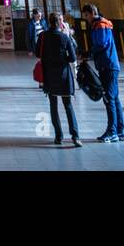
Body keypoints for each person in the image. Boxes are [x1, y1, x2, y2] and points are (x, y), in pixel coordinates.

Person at [81, 3, 124, 143]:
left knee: (109, 98)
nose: (86, 19)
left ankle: (112, 132)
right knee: (114, 98)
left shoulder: (100, 25)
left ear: (92, 12)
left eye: (87, 15)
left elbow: (101, 44)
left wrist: (89, 53)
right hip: (108, 65)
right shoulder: (99, 25)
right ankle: (120, 130)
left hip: (108, 65)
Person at [36, 12, 81, 147]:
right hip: (63, 75)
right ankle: (75, 136)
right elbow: (73, 58)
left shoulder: (42, 36)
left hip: (49, 75)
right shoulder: (64, 37)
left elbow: (38, 53)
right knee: (68, 105)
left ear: (49, 22)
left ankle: (58, 136)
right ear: (59, 22)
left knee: (53, 106)